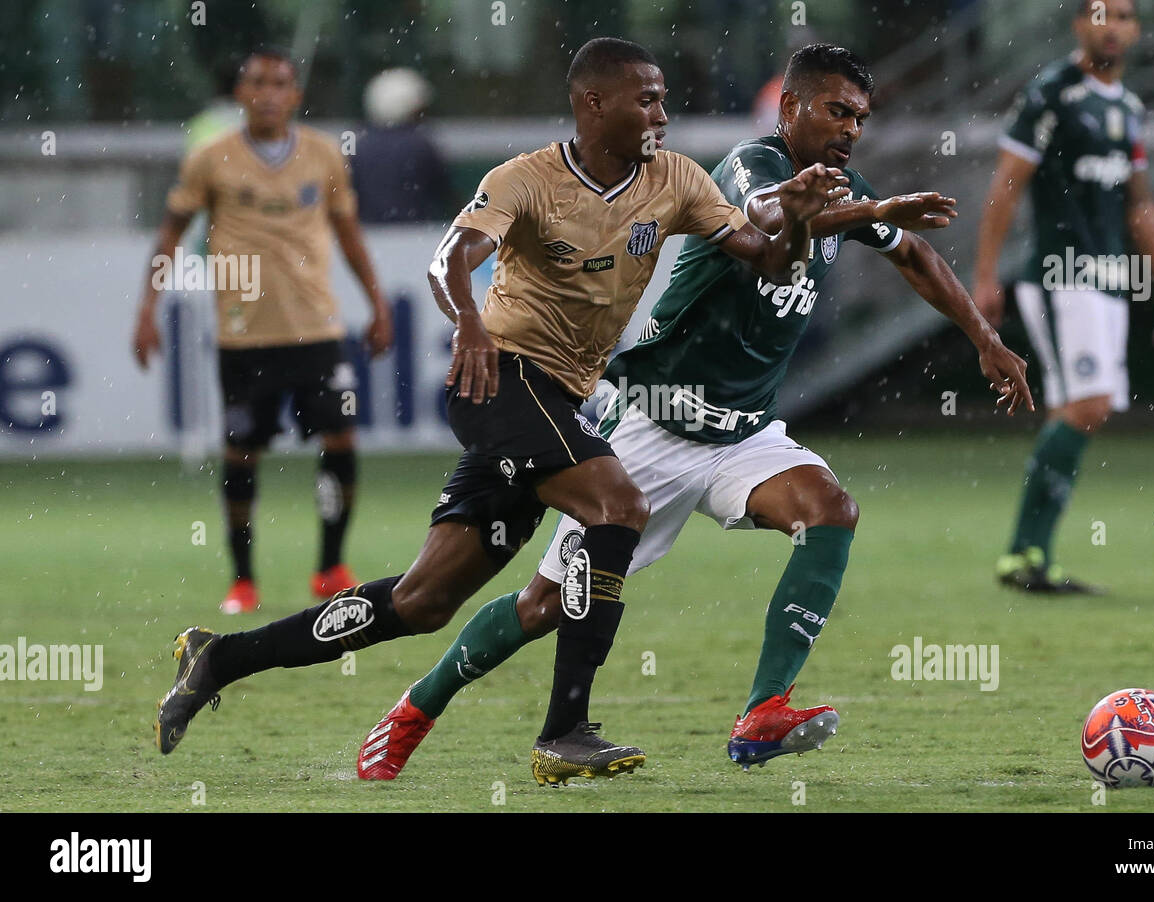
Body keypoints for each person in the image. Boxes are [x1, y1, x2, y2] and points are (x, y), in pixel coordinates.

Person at [152, 38, 848, 786]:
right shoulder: (526, 179)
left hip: (559, 402)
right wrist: (470, 322)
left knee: (421, 601)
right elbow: (447, 259)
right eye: (645, 99)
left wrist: (801, 221)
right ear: (594, 104)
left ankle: (222, 656)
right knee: (618, 504)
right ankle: (565, 730)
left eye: (663, 98)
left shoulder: (674, 180)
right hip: (501, 380)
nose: (662, 113)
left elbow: (765, 256)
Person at [356, 44, 1034, 784]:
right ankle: (415, 708)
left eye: (861, 117)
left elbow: (912, 254)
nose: (850, 128)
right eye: (836, 110)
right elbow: (771, 219)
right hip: (653, 423)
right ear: (792, 110)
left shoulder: (846, 188)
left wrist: (986, 340)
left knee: (830, 510)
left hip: (740, 431)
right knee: (543, 605)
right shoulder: (751, 162)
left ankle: (764, 712)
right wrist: (864, 211)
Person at [132, 47, 393, 615]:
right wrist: (146, 309)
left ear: (295, 96)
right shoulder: (211, 158)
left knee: (341, 437)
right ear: (241, 93)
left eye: (280, 84)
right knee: (241, 452)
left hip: (317, 328)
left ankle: (330, 566)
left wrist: (377, 302)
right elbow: (170, 235)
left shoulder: (324, 155)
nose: (269, 93)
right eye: (257, 83)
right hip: (244, 335)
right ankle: (243, 577)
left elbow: (349, 236)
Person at [972, 0, 1154, 593]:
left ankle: (1033, 560)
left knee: (1082, 412)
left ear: (1136, 29)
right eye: (1100, 14)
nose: (1111, 25)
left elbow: (1140, 203)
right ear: (1079, 25)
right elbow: (1006, 183)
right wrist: (986, 275)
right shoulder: (1053, 91)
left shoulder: (1128, 106)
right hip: (1059, 275)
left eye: (1123, 16)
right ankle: (1022, 553)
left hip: (1110, 280)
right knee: (1089, 405)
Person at [351, 68, 452, 223]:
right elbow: (445, 195)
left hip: (369, 236)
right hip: (416, 236)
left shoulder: (358, 143)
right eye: (420, 111)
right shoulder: (420, 145)